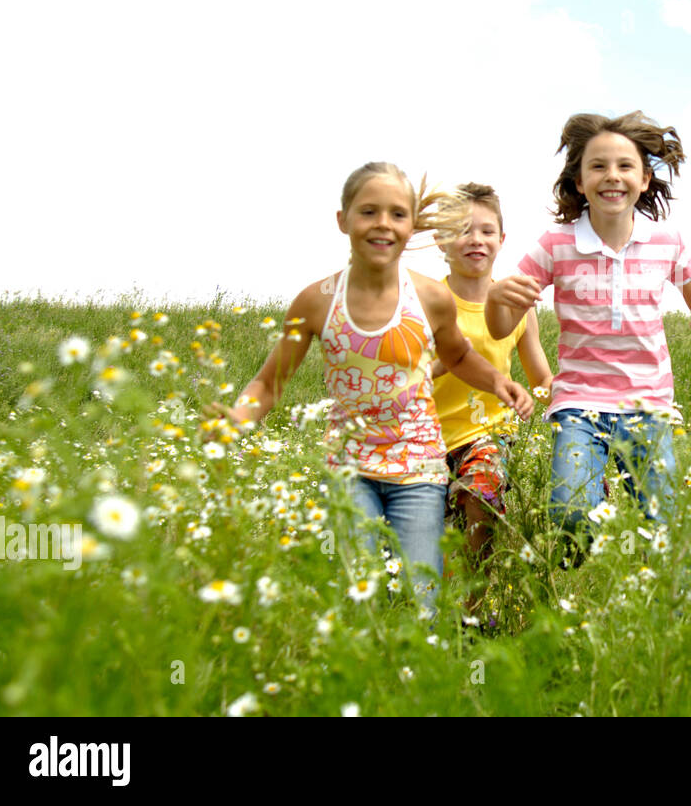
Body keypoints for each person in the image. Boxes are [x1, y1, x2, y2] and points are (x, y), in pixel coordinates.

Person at [207, 163, 533, 609]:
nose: (383, 224)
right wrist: (240, 417)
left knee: (423, 599)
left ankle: (428, 660)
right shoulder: (316, 301)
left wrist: (498, 381)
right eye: (369, 212)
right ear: (343, 220)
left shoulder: (430, 298)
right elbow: (269, 381)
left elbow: (457, 356)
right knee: (359, 595)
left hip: (419, 469)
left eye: (398, 214)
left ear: (412, 224)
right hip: (348, 469)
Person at [485, 111, 691, 538]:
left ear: (645, 179)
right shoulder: (555, 244)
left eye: (624, 166)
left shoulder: (667, 242)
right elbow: (502, 327)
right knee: (571, 515)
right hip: (578, 403)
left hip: (647, 403)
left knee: (662, 526)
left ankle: (655, 595)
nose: (612, 175)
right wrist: (497, 300)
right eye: (598, 166)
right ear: (579, 182)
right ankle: (589, 503)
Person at [433, 182, 552, 610]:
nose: (476, 240)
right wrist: (447, 362)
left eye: (486, 231)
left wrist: (560, 399)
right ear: (441, 240)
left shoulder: (518, 304)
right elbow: (405, 375)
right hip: (427, 441)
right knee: (435, 547)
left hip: (489, 433)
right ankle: (439, 616)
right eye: (463, 230)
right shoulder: (428, 302)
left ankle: (474, 613)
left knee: (480, 495)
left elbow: (540, 376)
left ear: (502, 240)